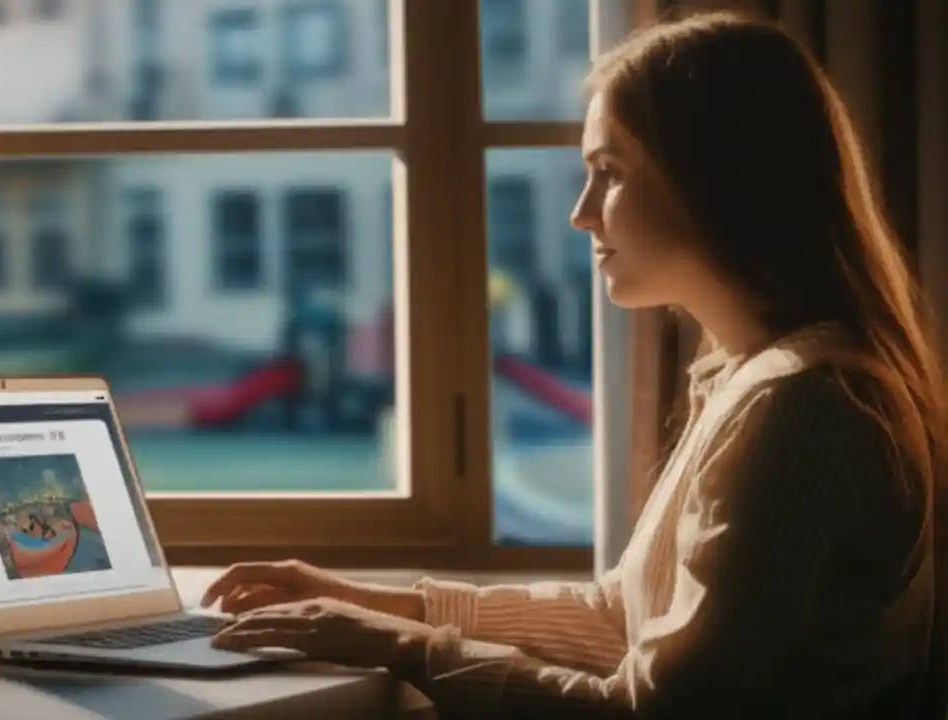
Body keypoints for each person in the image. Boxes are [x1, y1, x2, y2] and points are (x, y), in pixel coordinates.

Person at [201, 12, 947, 719]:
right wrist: (370, 602)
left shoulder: (800, 409)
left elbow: (650, 710)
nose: (581, 212)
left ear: (713, 178)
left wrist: (398, 646)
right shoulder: (751, 379)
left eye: (610, 172)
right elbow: (620, 618)